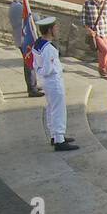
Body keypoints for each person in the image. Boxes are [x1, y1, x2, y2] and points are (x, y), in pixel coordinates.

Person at [32, 17, 78, 151]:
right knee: (58, 110)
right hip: (53, 81)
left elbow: (36, 65)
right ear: (49, 30)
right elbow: (47, 69)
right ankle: (59, 139)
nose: (57, 29)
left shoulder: (38, 44)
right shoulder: (49, 49)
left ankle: (54, 135)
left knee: (51, 108)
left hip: (47, 82)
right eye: (55, 28)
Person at [7, 0, 43, 97]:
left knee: (30, 63)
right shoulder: (19, 7)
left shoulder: (14, 5)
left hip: (21, 38)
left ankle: (33, 85)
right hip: (24, 40)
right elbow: (34, 18)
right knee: (29, 64)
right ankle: (32, 89)